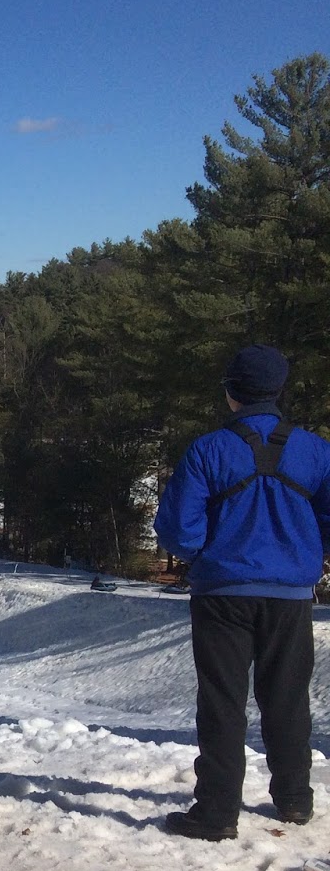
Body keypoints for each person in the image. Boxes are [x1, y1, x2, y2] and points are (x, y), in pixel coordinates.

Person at [152, 344, 330, 840]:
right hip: (290, 595)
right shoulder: (315, 450)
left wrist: (202, 553)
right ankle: (294, 800)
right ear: (279, 389)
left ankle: (216, 813)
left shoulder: (208, 449)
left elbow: (178, 528)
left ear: (231, 392)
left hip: (222, 593)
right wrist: (306, 552)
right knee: (288, 698)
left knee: (222, 701)